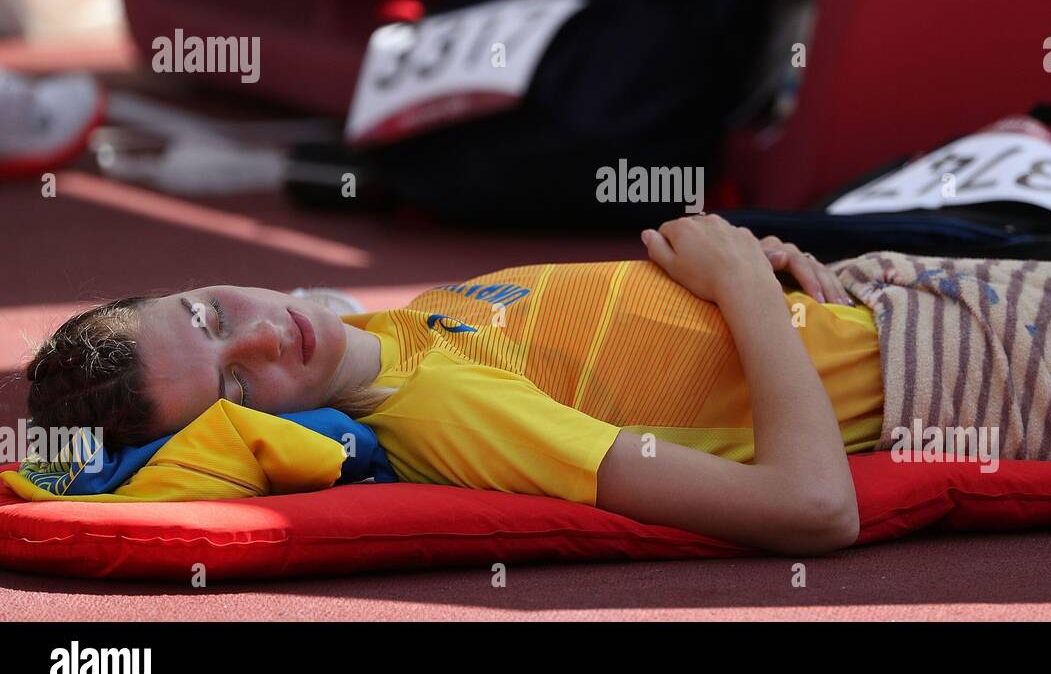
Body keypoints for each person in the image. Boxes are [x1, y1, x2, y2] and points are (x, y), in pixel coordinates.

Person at [23, 214, 878, 556]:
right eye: (239, 387)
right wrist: (748, 290)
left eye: (207, 313)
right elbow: (812, 509)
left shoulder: (384, 337)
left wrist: (769, 275)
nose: (264, 331)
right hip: (964, 359)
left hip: (872, 287)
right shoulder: (439, 411)